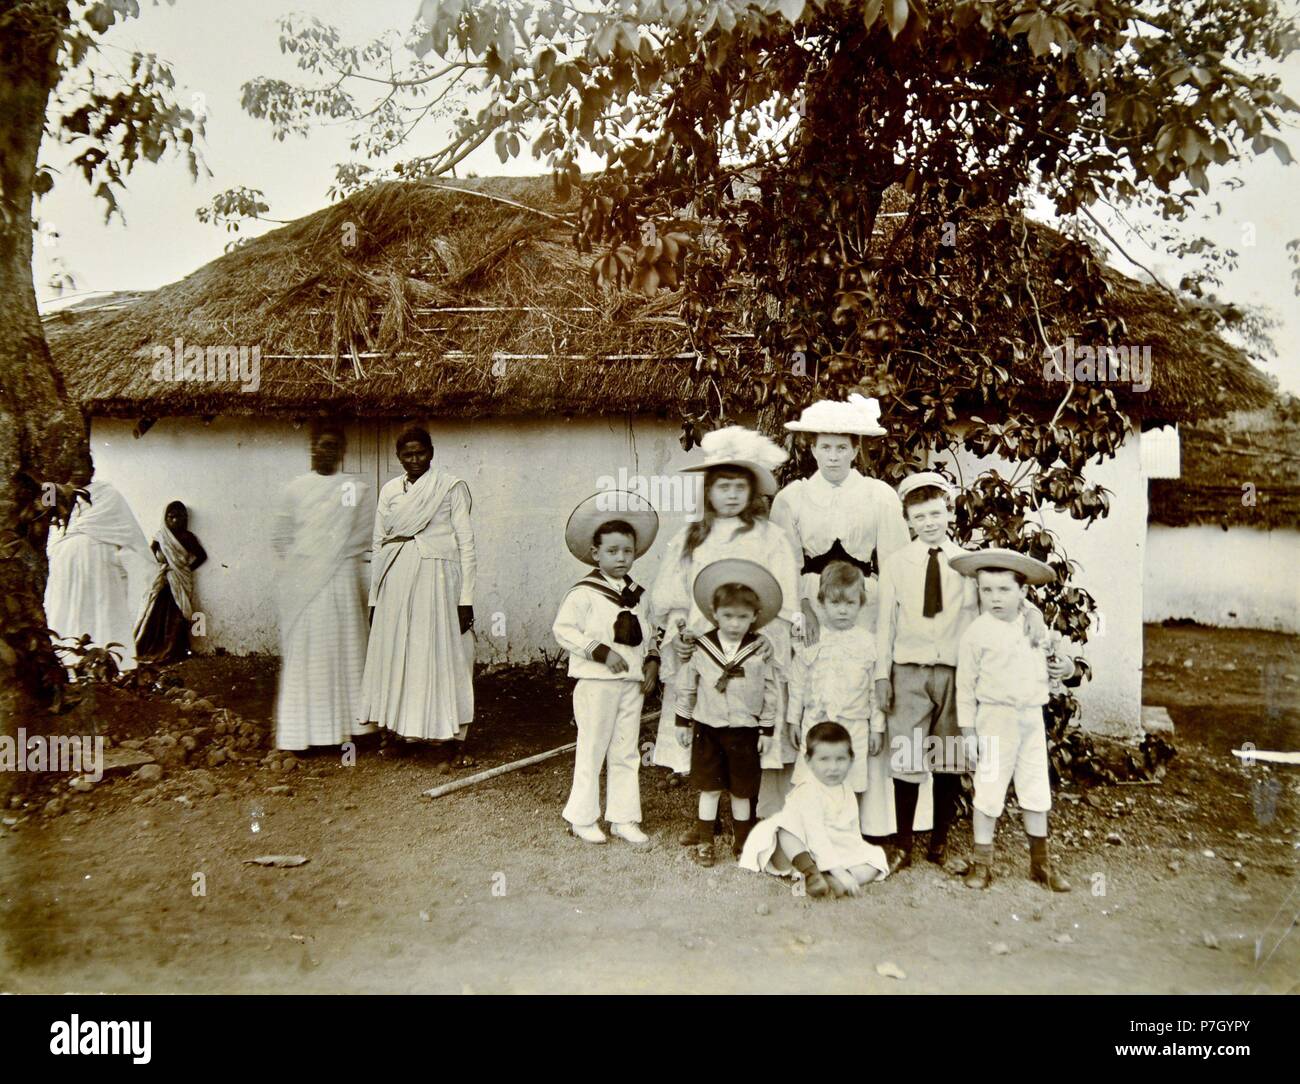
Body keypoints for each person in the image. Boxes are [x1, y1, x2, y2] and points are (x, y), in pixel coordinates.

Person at [769, 394, 911, 819]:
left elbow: (895, 560)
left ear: (856, 449)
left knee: (861, 682)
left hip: (864, 602)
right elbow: (783, 562)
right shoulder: (792, 497)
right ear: (811, 449)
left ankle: (866, 816)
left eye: (842, 447)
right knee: (811, 682)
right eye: (825, 447)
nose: (833, 456)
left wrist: (889, 615)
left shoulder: (878, 495)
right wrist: (802, 607)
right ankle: (806, 807)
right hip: (810, 600)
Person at [650, 426, 799, 820]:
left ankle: (746, 815)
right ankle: (706, 817)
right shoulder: (691, 538)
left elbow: (784, 598)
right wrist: (680, 633)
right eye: (723, 487)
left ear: (751, 493)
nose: (731, 495)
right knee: (706, 728)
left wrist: (769, 641)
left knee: (744, 728)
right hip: (705, 647)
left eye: (739, 487)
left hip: (751, 646)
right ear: (709, 491)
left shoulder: (771, 538)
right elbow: (675, 596)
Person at [951, 547, 1077, 892]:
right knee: (989, 790)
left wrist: (1063, 667)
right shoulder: (977, 633)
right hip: (994, 718)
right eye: (987, 590)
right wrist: (969, 732)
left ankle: (1041, 864)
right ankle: (982, 863)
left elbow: (1061, 665)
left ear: (1023, 593)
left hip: (1030, 719)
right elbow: (965, 687)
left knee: (1036, 788)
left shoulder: (1037, 628)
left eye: (1004, 590)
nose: (995, 598)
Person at [874, 472, 979, 872]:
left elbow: (982, 618)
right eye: (919, 517)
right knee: (908, 757)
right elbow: (886, 623)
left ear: (949, 512)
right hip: (909, 673)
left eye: (936, 513)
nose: (929, 523)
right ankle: (902, 845)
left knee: (949, 759)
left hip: (954, 674)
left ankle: (940, 842)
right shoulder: (898, 564)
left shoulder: (968, 565)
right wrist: (883, 677)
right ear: (908, 521)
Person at [553, 491, 660, 846]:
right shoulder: (584, 592)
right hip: (597, 682)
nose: (621, 558)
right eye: (612, 551)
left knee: (627, 749)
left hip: (630, 684)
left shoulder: (640, 595)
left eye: (627, 551)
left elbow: (650, 632)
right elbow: (564, 630)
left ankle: (624, 817)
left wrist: (651, 663)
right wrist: (599, 652)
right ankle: (582, 816)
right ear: (595, 553)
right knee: (593, 745)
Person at [361, 426, 476, 754]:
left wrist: (465, 599)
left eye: (421, 453)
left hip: (437, 578)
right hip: (395, 579)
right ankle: (402, 734)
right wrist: (374, 597)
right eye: (407, 455)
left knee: (436, 652)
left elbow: (466, 544)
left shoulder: (449, 487)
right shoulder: (389, 491)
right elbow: (378, 541)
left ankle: (445, 736)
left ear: (432, 452)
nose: (415, 460)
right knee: (401, 654)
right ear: (398, 457)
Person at [272, 423, 373, 751]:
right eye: (321, 445)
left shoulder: (354, 489)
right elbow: (281, 535)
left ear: (342, 452)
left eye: (334, 446)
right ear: (312, 449)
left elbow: (364, 533)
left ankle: (351, 729)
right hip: (306, 582)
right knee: (309, 651)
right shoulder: (295, 489)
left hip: (342, 579)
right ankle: (306, 733)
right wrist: (306, 563)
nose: (326, 451)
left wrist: (333, 555)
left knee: (344, 646)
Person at [674, 559, 782, 867]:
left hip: (744, 731)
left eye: (743, 617)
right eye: (728, 616)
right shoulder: (702, 647)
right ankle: (705, 840)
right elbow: (688, 686)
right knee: (709, 787)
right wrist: (682, 721)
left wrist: (766, 729)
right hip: (708, 728)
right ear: (715, 613)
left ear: (755, 618)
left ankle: (742, 840)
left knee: (741, 789)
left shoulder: (759, 652)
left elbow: (770, 691)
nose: (735, 623)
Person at [740, 721, 890, 898]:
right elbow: (815, 834)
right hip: (799, 851)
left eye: (840, 759)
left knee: (876, 859)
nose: (833, 767)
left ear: (851, 760)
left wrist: (850, 858)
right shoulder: (809, 789)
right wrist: (838, 869)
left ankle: (834, 881)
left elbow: (851, 831)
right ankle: (811, 874)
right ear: (809, 761)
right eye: (824, 759)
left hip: (832, 846)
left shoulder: (847, 788)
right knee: (786, 829)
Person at [787, 562, 883, 817]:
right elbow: (798, 681)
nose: (842, 611)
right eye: (835, 603)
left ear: (861, 604)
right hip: (816, 721)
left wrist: (877, 727)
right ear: (822, 603)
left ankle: (847, 834)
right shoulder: (813, 639)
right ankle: (810, 832)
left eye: (850, 604)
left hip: (854, 724)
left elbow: (875, 690)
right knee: (811, 780)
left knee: (850, 781)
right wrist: (793, 720)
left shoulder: (868, 643)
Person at [45, 453, 152, 675]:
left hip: (100, 567)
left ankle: (110, 665)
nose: (79, 471)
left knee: (102, 611)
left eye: (85, 466)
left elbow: (126, 530)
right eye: (74, 466)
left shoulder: (108, 495)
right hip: (66, 567)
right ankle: (67, 663)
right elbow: (52, 532)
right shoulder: (57, 497)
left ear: (93, 471)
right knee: (67, 611)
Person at [134, 501, 207, 665]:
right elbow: (149, 555)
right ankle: (153, 648)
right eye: (171, 517)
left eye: (179, 517)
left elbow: (201, 556)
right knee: (157, 616)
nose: (175, 520)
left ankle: (174, 650)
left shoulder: (188, 537)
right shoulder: (161, 537)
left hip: (179, 582)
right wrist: (162, 568)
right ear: (165, 518)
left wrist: (183, 569)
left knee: (176, 616)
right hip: (164, 583)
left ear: (185, 518)